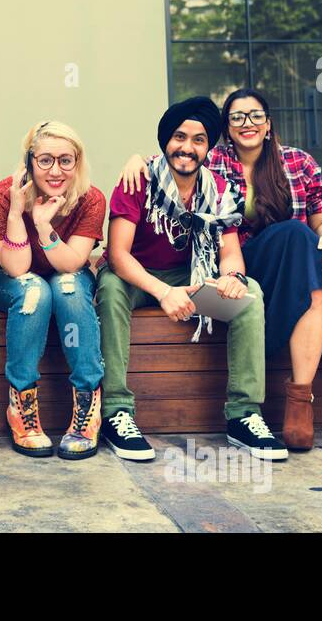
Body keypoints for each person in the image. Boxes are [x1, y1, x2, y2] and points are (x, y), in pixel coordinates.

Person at [118, 88, 322, 450]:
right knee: (298, 237)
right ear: (226, 128)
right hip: (240, 265)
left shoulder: (298, 162)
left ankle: (301, 401)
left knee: (313, 269)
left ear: (268, 123)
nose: (246, 123)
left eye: (255, 116)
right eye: (236, 117)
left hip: (294, 267)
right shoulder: (212, 160)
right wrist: (135, 159)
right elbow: (172, 155)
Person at [97, 97, 288, 461]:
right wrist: (163, 291)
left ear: (208, 146)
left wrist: (232, 275)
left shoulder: (217, 188)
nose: (187, 147)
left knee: (250, 293)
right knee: (109, 285)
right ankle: (116, 411)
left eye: (198, 140)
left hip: (191, 276)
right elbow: (118, 255)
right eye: (179, 137)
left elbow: (230, 250)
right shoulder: (138, 180)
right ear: (166, 140)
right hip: (137, 276)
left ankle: (244, 414)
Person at [0, 121, 107, 460]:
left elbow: (71, 263)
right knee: (35, 290)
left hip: (65, 272)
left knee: (65, 287)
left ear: (77, 163)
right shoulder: (1, 195)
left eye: (66, 160)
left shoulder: (91, 198)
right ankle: (21, 407)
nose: (55, 170)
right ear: (29, 161)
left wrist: (43, 224)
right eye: (45, 160)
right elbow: (17, 268)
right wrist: (18, 213)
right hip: (5, 277)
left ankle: (87, 405)